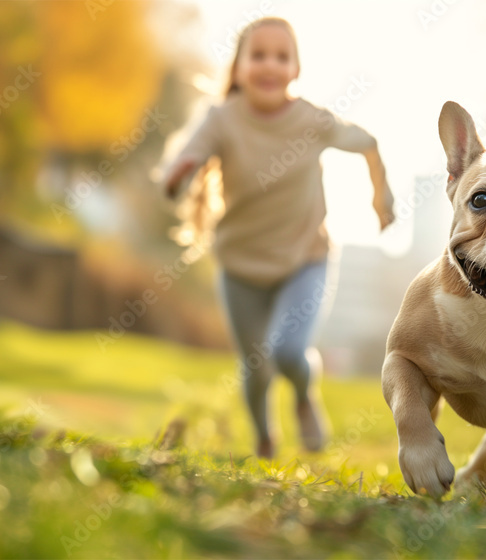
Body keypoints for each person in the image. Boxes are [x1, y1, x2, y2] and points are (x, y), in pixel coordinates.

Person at [162, 17, 394, 459]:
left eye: (281, 56)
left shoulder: (311, 119)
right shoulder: (222, 119)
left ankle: (305, 396)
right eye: (259, 55)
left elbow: (368, 142)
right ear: (240, 67)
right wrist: (180, 174)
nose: (270, 65)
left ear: (296, 70)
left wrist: (381, 199)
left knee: (287, 350)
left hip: (304, 259)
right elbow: (190, 154)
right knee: (254, 368)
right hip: (240, 267)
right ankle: (264, 440)